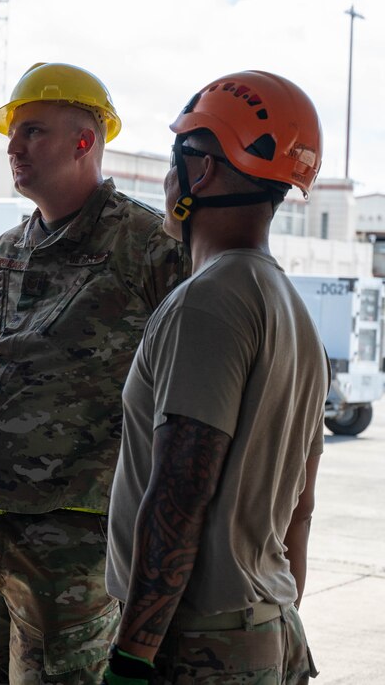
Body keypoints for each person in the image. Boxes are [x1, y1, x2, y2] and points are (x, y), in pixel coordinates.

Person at [0, 62, 190, 683]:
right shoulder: (3, 254)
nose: (13, 147)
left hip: (74, 543)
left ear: (84, 141)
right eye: (13, 134)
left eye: (33, 132)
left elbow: (192, 389)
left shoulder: (150, 247)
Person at [103, 70, 327, 684]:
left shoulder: (208, 301)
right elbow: (300, 507)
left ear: (201, 171)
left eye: (179, 159)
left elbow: (180, 494)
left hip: (197, 643)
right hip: (265, 626)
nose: (169, 179)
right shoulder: (290, 308)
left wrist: (131, 657)